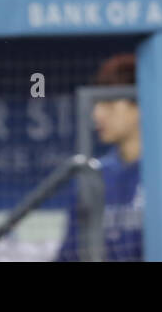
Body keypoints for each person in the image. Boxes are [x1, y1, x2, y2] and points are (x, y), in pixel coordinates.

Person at [54, 53, 143, 262]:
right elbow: (70, 254)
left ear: (139, 105)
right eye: (97, 104)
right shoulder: (94, 176)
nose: (97, 115)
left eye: (109, 104)